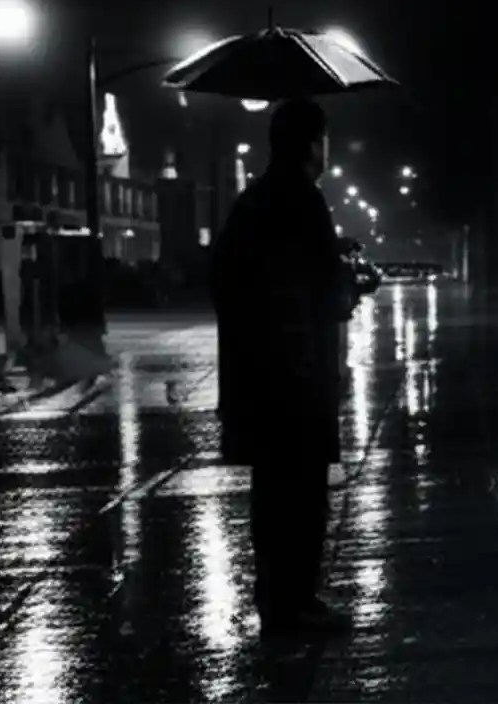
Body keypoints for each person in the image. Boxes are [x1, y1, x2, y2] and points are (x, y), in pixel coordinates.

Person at [210, 98, 352, 635]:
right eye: (324, 138)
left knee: (271, 494)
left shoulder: (250, 204)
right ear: (313, 143)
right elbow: (324, 290)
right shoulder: (305, 203)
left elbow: (224, 282)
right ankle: (298, 601)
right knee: (304, 493)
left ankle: (275, 597)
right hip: (299, 376)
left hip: (257, 378)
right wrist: (345, 289)